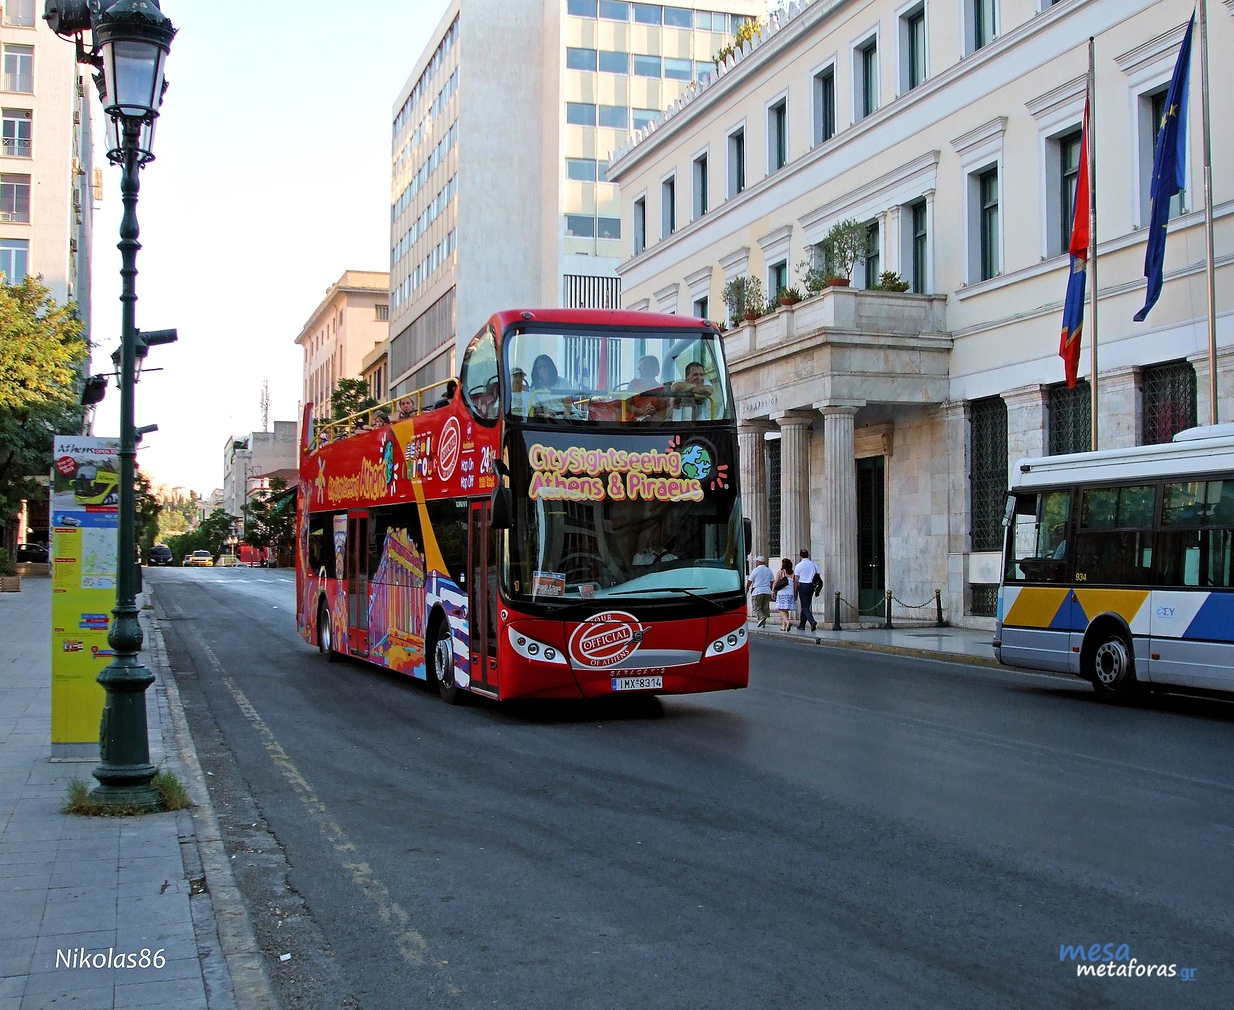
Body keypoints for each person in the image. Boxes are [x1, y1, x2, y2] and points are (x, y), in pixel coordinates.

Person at [793, 548, 820, 632]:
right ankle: (802, 624)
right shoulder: (814, 564)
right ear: (808, 555)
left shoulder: (799, 566)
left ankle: (812, 621)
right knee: (806, 605)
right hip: (811, 586)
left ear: (800, 556)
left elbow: (796, 580)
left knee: (804, 606)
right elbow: (818, 575)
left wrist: (795, 592)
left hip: (803, 585)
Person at [746, 555, 773, 628]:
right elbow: (772, 581)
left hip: (757, 591)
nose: (756, 563)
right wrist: (772, 590)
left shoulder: (755, 570)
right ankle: (763, 623)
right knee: (764, 607)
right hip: (767, 591)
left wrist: (747, 588)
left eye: (756, 562)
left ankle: (761, 618)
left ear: (759, 562)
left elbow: (749, 581)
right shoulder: (769, 570)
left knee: (756, 607)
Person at [774, 558, 796, 631]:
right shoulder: (793, 573)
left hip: (782, 593)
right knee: (786, 610)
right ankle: (784, 626)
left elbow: (775, 582)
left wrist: (773, 591)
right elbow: (795, 584)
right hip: (790, 593)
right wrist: (795, 593)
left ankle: (787, 622)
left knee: (780, 609)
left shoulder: (781, 572)